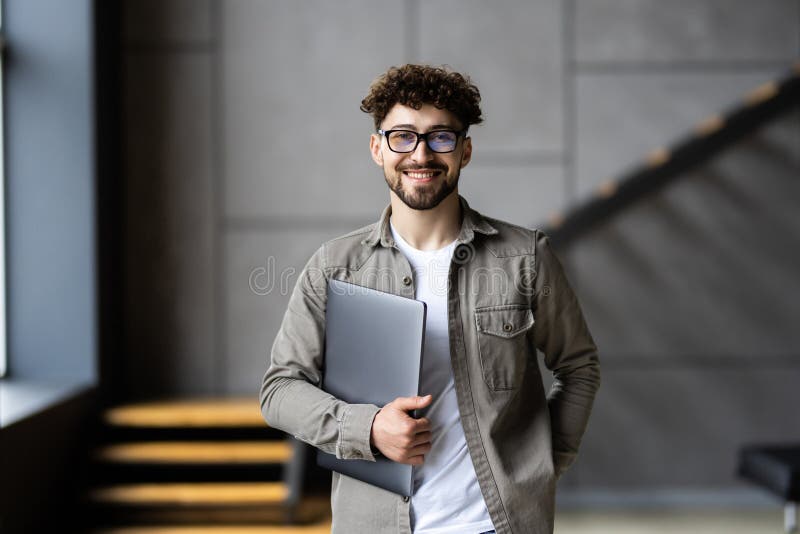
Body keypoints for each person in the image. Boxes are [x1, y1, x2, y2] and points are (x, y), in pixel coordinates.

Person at [260, 64, 600, 534]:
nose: (421, 154)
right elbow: (279, 390)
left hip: (494, 525)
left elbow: (578, 365)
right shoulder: (333, 266)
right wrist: (368, 428)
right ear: (377, 147)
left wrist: (541, 465)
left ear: (465, 150)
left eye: (440, 137)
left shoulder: (526, 257)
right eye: (403, 136)